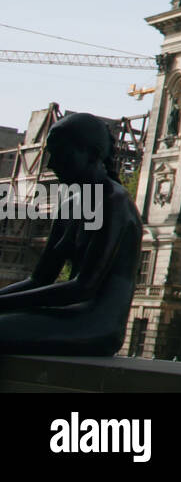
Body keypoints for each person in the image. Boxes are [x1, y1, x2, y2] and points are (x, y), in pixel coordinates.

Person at [0, 113, 142, 356]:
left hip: (96, 324)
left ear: (92, 154)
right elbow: (40, 278)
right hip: (72, 315)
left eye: (60, 153)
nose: (52, 163)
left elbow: (83, 288)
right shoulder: (71, 202)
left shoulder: (113, 201)